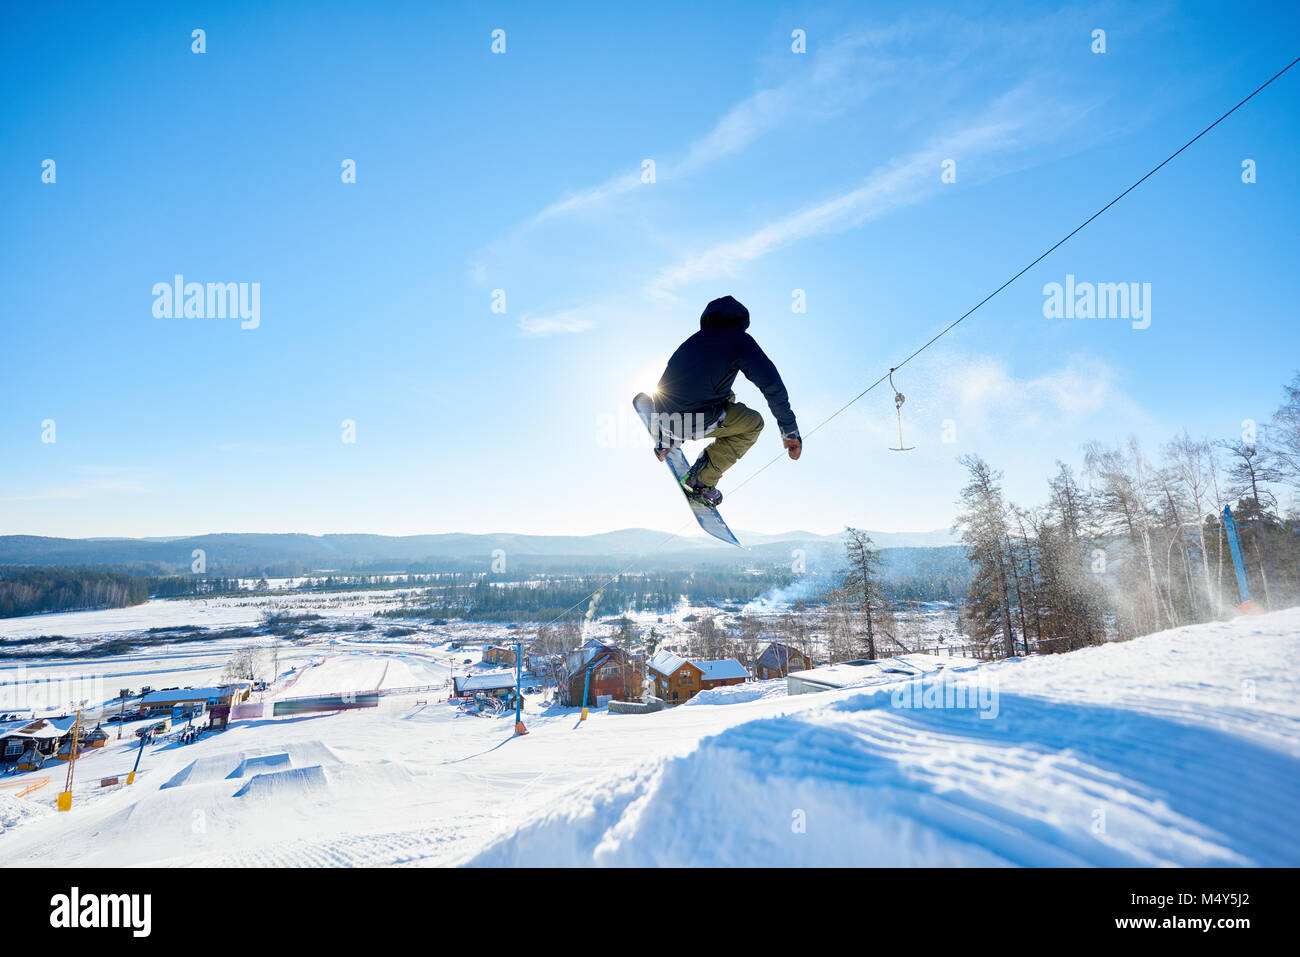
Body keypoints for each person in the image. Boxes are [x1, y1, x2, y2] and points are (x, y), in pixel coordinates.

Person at [652, 295, 801, 506]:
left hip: (662, 411)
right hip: (691, 419)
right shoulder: (739, 340)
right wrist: (790, 431)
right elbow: (773, 386)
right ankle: (700, 482)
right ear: (740, 323)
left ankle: (668, 437)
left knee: (727, 395)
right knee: (753, 424)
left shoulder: (694, 339)